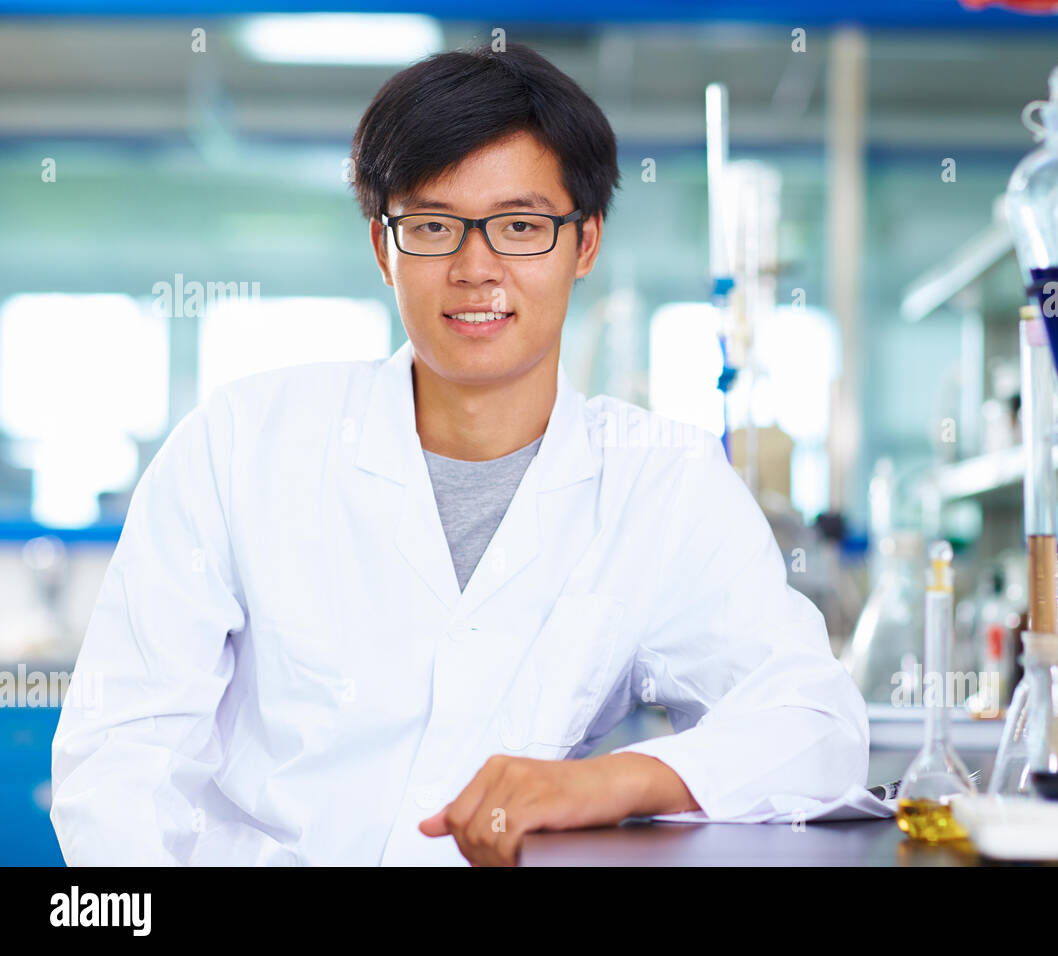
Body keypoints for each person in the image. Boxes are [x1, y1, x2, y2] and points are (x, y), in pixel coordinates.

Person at [50, 42, 870, 867]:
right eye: (434, 227)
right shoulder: (239, 447)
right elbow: (120, 758)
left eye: (520, 226)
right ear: (384, 248)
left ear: (584, 243)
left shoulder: (661, 481)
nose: (477, 269)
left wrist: (616, 780)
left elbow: (813, 725)